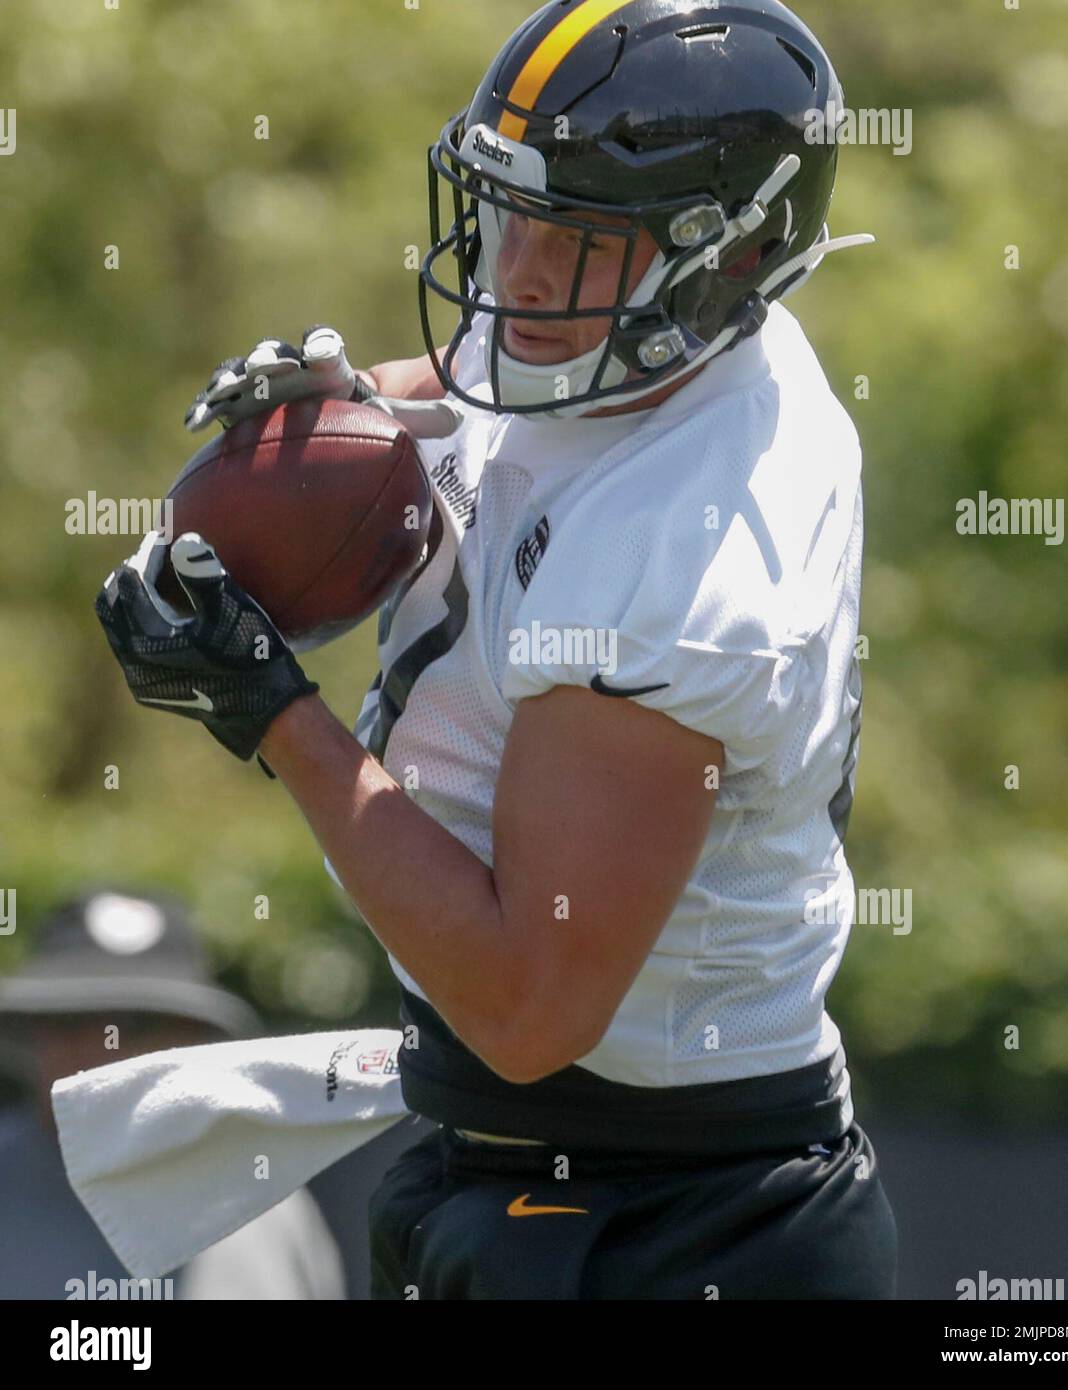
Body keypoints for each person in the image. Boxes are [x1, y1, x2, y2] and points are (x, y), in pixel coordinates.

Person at [94, 0, 897, 1298]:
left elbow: (529, 1007)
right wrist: (352, 412)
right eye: (505, 210)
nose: (515, 270)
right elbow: (488, 381)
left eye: (572, 236)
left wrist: (266, 708)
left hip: (670, 1220)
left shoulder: (690, 568)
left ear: (726, 259)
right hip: (525, 1163)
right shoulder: (638, 341)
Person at [0, 889, 346, 1299]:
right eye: (71, 1022)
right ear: (31, 1036)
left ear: (196, 1040)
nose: (104, 1049)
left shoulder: (264, 1208)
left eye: (137, 1025)